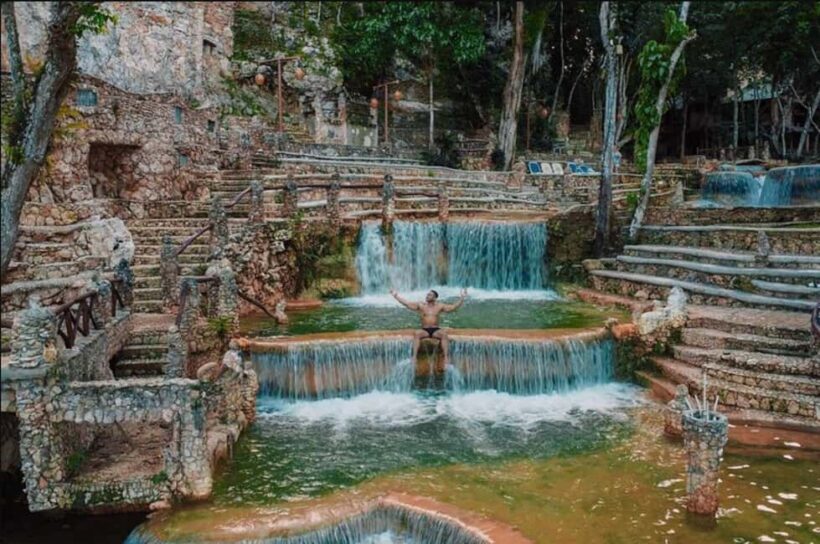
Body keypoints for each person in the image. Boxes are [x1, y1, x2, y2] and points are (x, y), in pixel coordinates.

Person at [389, 288, 468, 365]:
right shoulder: (421, 305)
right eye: (427, 295)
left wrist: (462, 298)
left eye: (430, 295)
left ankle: (446, 357)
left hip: (435, 330)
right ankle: (414, 357)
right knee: (417, 333)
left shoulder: (440, 306)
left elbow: (453, 308)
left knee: (444, 335)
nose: (427, 296)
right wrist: (396, 296)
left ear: (435, 297)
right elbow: (407, 303)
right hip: (425, 330)